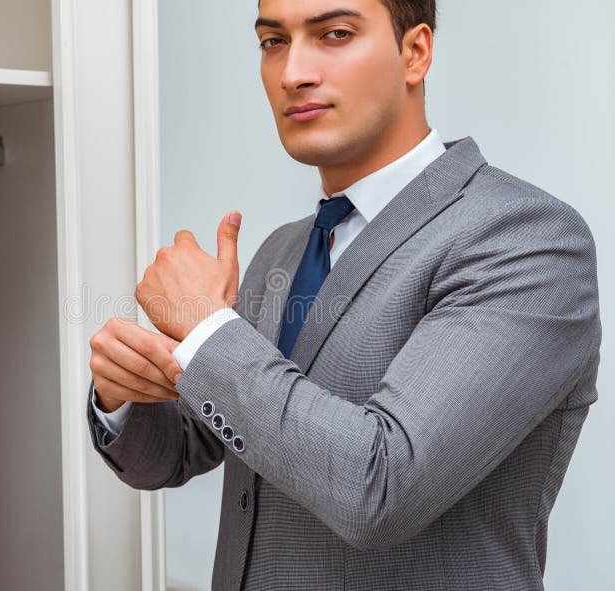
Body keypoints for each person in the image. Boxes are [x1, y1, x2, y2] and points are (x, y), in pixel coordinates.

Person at [86, 0, 602, 588]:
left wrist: (207, 331)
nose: (292, 73)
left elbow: (381, 486)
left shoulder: (526, 241)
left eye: (334, 34)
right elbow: (184, 452)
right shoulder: (282, 251)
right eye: (272, 42)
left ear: (416, 52)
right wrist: (122, 393)